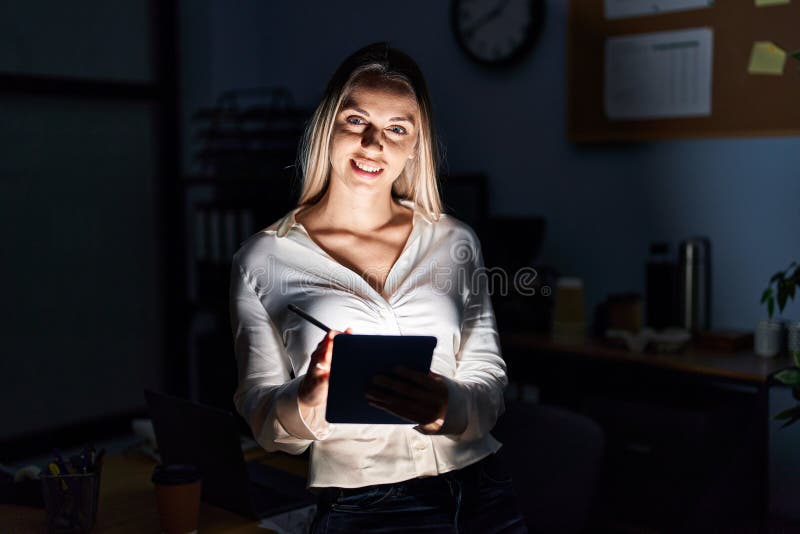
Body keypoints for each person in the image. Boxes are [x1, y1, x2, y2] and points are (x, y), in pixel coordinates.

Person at [230, 42, 526, 533]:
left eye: (396, 129)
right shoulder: (263, 258)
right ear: (328, 126)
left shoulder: (455, 241)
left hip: (484, 491)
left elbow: (489, 377)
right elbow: (260, 412)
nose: (373, 144)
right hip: (365, 505)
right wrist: (307, 399)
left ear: (415, 145)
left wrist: (445, 406)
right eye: (356, 121)